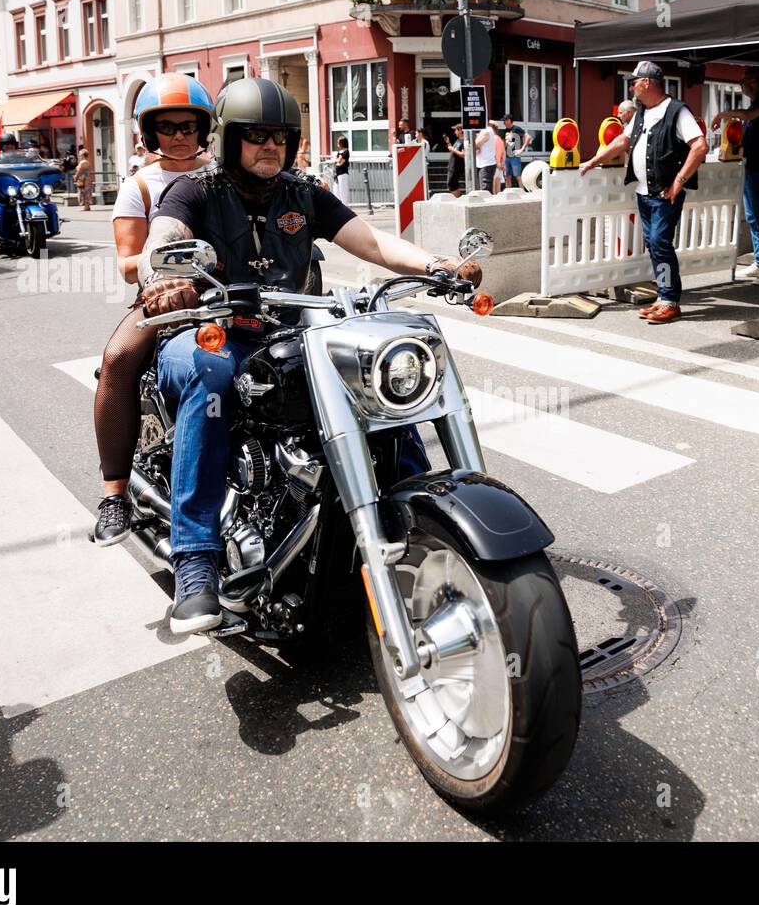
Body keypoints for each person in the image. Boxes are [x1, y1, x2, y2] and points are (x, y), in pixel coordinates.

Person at [133, 77, 481, 634]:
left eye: (280, 137)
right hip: (208, 330)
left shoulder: (303, 193)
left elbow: (372, 242)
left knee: (370, 375)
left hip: (284, 332)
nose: (269, 147)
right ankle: (195, 559)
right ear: (228, 140)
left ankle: (419, 517)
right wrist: (163, 276)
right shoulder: (195, 191)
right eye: (255, 136)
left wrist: (436, 264)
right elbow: (163, 239)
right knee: (212, 373)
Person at [91, 73, 218, 548]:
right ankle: (114, 495)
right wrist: (169, 267)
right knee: (118, 360)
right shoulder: (140, 186)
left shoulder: (222, 173)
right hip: (163, 298)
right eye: (168, 127)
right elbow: (127, 264)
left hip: (228, 294)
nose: (180, 136)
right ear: (149, 133)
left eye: (189, 126)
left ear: (205, 128)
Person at [580, 61, 708, 325]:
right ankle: (663, 298)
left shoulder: (677, 111)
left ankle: (670, 301)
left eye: (634, 82)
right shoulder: (641, 112)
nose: (631, 87)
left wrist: (678, 182)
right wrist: (593, 160)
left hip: (664, 194)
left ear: (646, 83)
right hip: (644, 192)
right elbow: (623, 141)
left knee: (660, 242)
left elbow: (700, 146)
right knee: (653, 244)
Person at [710, 65, 759, 286]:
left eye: (743, 82)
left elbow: (748, 115)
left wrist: (723, 114)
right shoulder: (758, 103)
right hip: (752, 168)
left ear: (752, 82)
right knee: (753, 218)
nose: (741, 86)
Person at [501, 114, 531, 189]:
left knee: (518, 176)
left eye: (505, 121)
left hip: (515, 157)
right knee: (507, 177)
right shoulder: (505, 131)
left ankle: (522, 193)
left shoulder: (517, 129)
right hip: (506, 157)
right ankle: (508, 193)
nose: (503, 123)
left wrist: (522, 149)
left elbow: (528, 137)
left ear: (509, 120)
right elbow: (504, 144)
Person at [474, 121, 498, 193]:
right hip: (486, 163)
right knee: (485, 189)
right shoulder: (490, 131)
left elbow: (476, 145)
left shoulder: (486, 131)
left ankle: (488, 203)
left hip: (486, 164)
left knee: (485, 190)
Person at [444, 122, 465, 196]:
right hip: (452, 165)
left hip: (457, 166)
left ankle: (458, 198)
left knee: (451, 183)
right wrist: (448, 143)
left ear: (460, 130)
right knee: (451, 183)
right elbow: (452, 150)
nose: (454, 132)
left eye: (455, 130)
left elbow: (463, 154)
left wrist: (453, 149)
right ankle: (459, 198)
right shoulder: (458, 140)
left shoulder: (464, 141)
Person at [332, 136, 351, 204]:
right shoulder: (339, 152)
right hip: (337, 174)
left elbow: (340, 163)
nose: (337, 143)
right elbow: (338, 161)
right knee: (336, 191)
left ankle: (345, 207)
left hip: (343, 174)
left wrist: (336, 160)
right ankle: (339, 207)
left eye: (338, 142)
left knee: (343, 191)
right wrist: (337, 160)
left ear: (342, 143)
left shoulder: (346, 152)